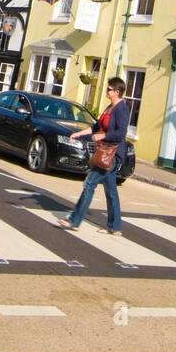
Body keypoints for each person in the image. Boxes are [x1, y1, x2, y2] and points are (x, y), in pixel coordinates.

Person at [56, 77, 129, 235]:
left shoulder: (121, 109)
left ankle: (74, 220)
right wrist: (78, 134)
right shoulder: (110, 107)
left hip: (111, 153)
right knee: (111, 192)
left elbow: (120, 133)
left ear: (117, 92)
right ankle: (114, 227)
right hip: (104, 151)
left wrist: (102, 136)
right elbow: (96, 126)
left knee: (89, 184)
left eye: (109, 89)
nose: (106, 91)